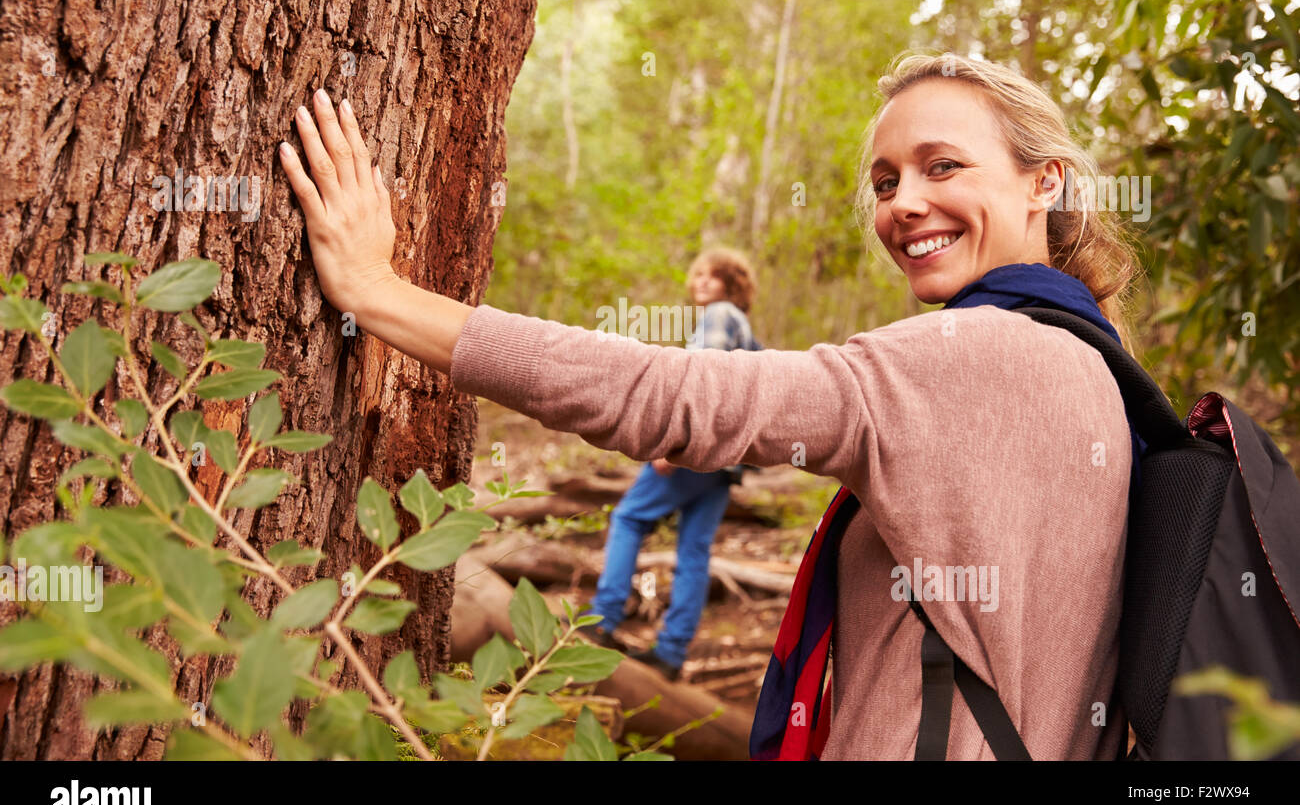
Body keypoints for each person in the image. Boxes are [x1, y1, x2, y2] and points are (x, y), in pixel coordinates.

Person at [278, 49, 1140, 760]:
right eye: (885, 181)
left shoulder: (977, 353)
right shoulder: (1098, 366)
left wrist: (376, 291)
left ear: (1044, 184)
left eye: (942, 165)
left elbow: (672, 399)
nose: (904, 202)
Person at [579, 248, 764, 681]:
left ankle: (601, 621)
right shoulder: (744, 326)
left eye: (712, 276)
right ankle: (672, 653)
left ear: (729, 284)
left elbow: (705, 376)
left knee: (628, 518)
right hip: (725, 457)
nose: (700, 282)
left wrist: (672, 442)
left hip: (695, 450)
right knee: (694, 550)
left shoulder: (719, 315)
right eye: (696, 275)